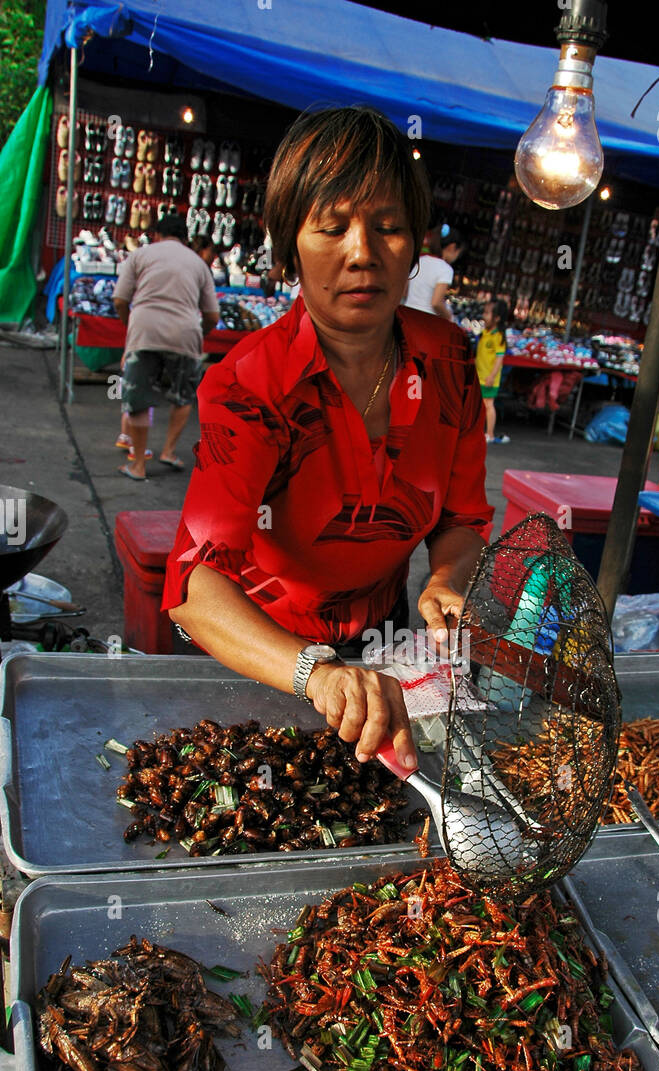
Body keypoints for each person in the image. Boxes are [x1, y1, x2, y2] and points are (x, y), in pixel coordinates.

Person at [163, 107, 492, 773]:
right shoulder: (250, 386)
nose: (362, 253)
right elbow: (194, 587)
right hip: (264, 648)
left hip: (386, 634)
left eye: (389, 226)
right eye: (333, 227)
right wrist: (316, 673)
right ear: (290, 246)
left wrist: (449, 581)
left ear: (414, 246)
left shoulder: (452, 363)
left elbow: (460, 519)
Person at [113, 211, 220, 480]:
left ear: (157, 235)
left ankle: (137, 464)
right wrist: (199, 334)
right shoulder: (198, 263)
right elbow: (212, 315)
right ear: (185, 239)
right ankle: (169, 451)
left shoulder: (140, 255)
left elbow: (119, 299)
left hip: (145, 331)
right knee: (183, 397)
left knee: (138, 400)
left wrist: (132, 325)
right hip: (185, 334)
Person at [403, 228, 464, 320]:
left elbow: (404, 292)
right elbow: (436, 303)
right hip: (425, 321)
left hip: (407, 315)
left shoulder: (419, 261)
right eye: (458, 253)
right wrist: (450, 318)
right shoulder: (445, 269)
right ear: (452, 247)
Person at [476, 299, 510, 444]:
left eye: (488, 313)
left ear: (497, 318)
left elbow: (499, 359)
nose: (484, 315)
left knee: (488, 404)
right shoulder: (485, 333)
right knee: (480, 404)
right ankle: (482, 432)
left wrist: (491, 376)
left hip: (489, 378)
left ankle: (489, 433)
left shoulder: (498, 336)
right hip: (479, 376)